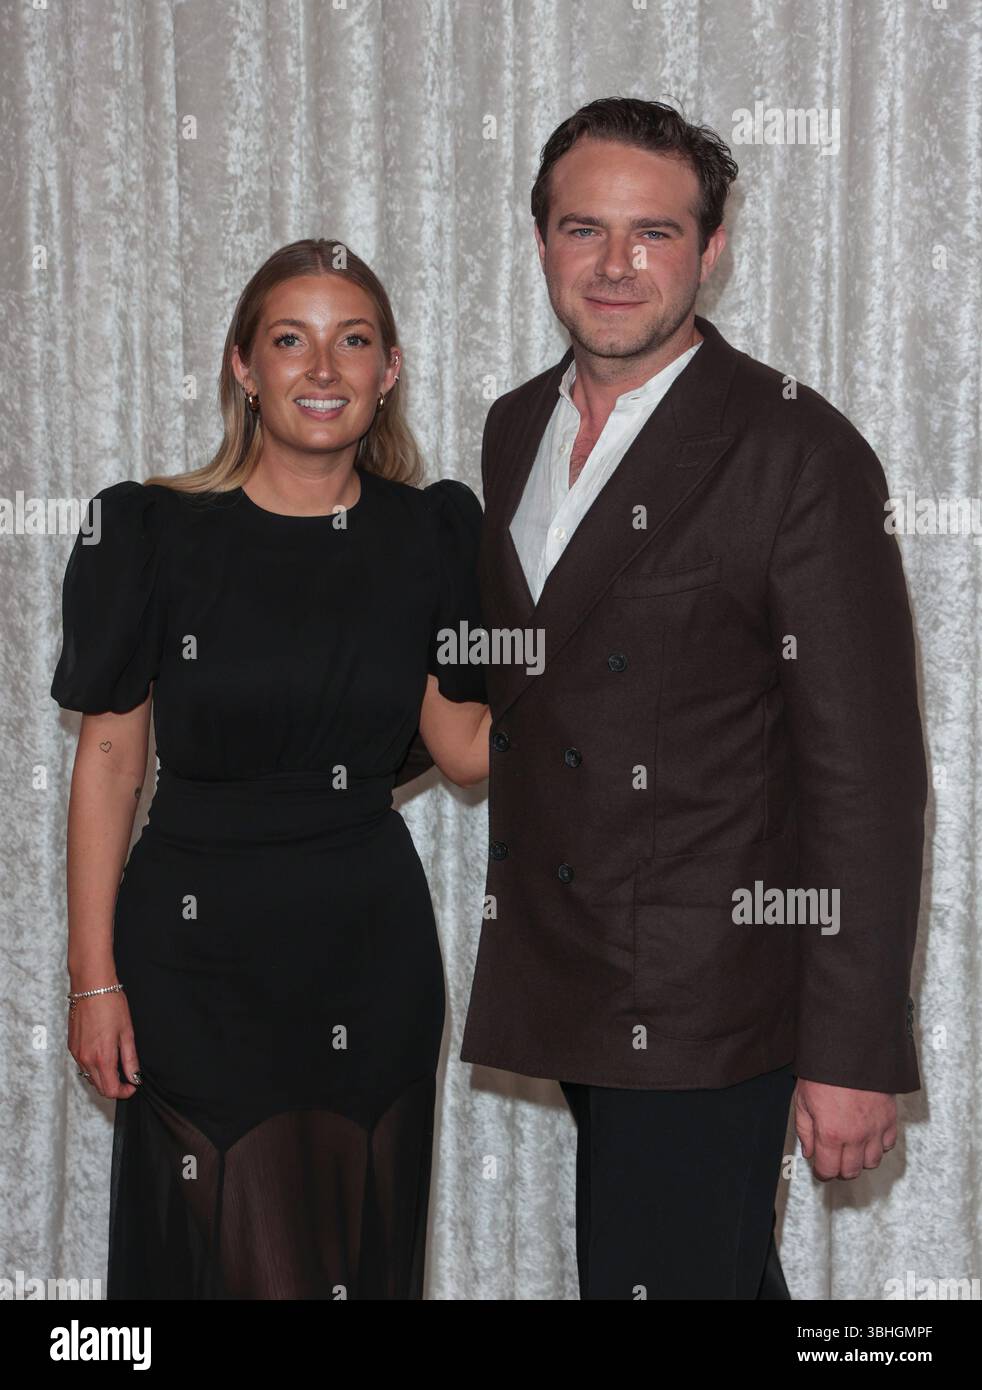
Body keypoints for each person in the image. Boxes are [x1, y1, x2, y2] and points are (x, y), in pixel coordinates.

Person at [459, 98, 927, 1299]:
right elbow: (517, 681)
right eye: (584, 228)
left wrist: (852, 1050)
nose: (617, 265)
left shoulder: (798, 450)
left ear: (711, 250)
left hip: (713, 990)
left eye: (655, 233)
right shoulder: (513, 427)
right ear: (540, 241)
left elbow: (866, 775)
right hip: (568, 964)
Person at [52, 238, 491, 1300]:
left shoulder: (430, 534)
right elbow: (111, 764)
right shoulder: (151, 531)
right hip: (193, 963)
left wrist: (637, 677)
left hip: (368, 956)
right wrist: (92, 977)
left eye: (353, 341)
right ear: (242, 366)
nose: (323, 369)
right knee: (222, 1261)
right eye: (290, 341)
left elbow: (468, 749)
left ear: (389, 370)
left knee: (352, 1257)